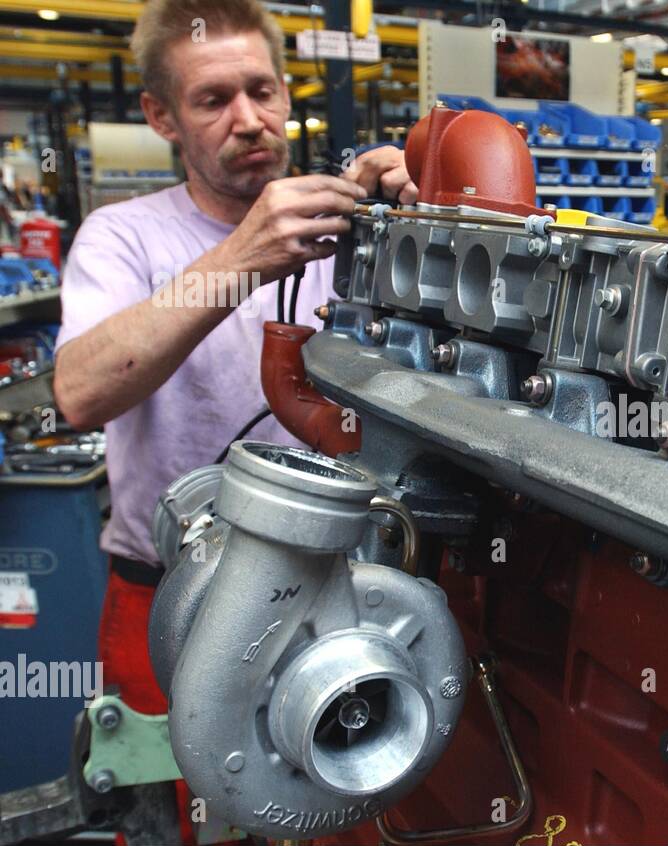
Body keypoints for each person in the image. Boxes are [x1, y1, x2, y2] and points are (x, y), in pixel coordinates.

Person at [52, 0, 416, 715]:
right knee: (168, 801)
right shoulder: (123, 236)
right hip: (170, 588)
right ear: (162, 117)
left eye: (261, 91)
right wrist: (243, 257)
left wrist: (420, 221)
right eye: (213, 100)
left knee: (333, 799)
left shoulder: (349, 228)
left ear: (284, 91)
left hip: (334, 580)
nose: (248, 119)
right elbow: (79, 393)